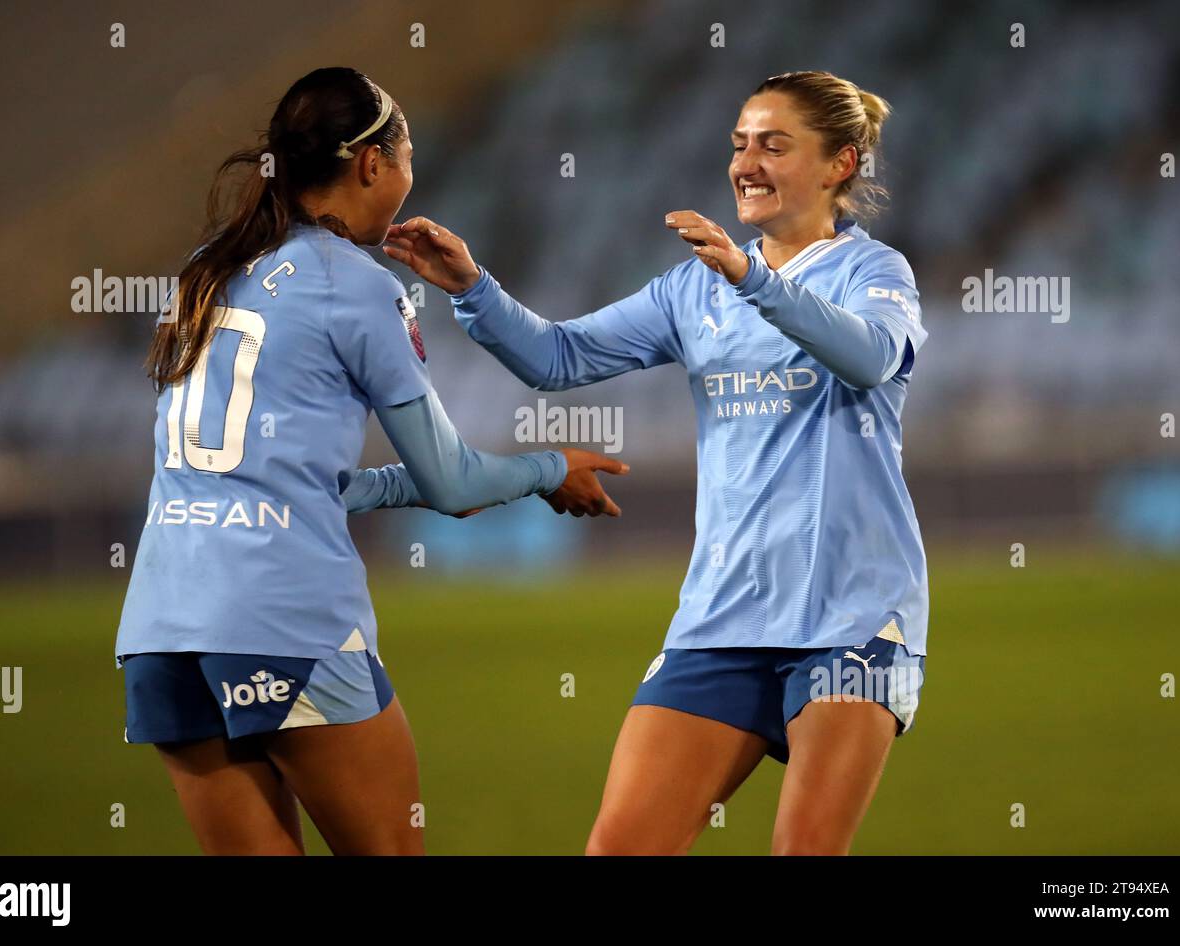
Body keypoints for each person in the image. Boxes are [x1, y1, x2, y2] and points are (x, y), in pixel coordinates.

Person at [384, 70, 928, 855]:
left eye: (774, 145)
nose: (746, 163)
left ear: (840, 164)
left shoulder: (873, 274)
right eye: (740, 144)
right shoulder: (691, 290)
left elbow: (872, 358)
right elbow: (558, 357)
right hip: (722, 617)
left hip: (851, 617)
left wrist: (754, 280)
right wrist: (473, 288)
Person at [115, 67, 626, 855]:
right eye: (409, 154)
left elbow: (299, 482)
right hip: (283, 617)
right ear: (370, 165)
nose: (411, 173)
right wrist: (548, 468)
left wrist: (414, 486)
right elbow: (454, 485)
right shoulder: (356, 286)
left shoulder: (208, 265)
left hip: (161, 627)